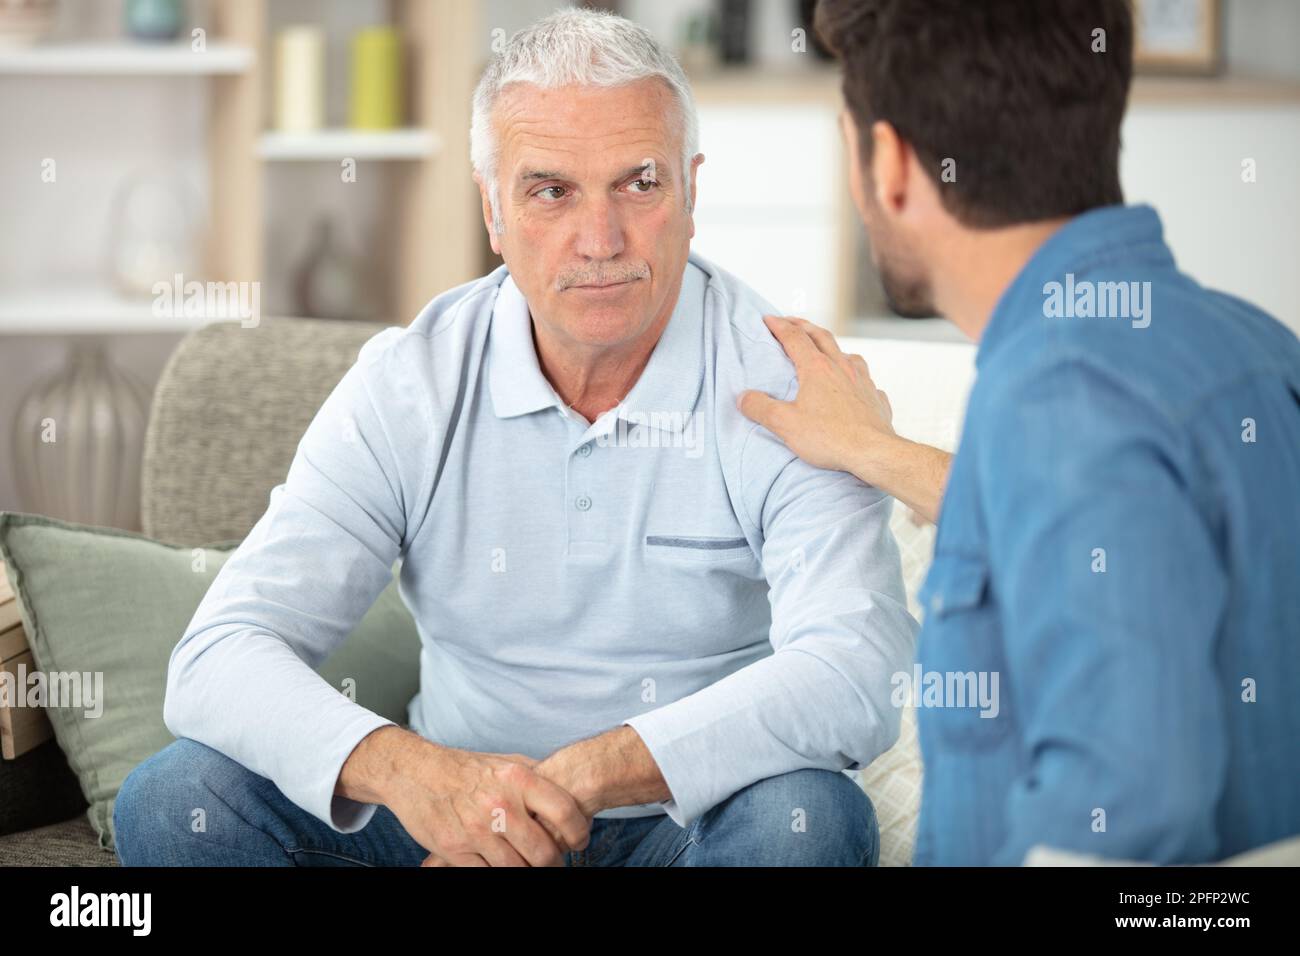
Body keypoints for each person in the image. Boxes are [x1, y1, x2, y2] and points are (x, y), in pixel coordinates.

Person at [112, 8, 917, 868]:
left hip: (689, 823)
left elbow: (856, 672)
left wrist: (582, 779)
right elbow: (217, 659)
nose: (600, 240)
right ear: (492, 210)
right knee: (174, 800)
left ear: (690, 190)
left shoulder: (789, 385)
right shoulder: (410, 383)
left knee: (813, 820)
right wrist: (425, 783)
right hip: (446, 814)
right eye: (550, 191)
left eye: (639, 183)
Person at [739, 0, 1300, 864]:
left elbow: (1125, 824)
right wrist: (874, 451)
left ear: (889, 163)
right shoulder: (1256, 347)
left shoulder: (1058, 399)